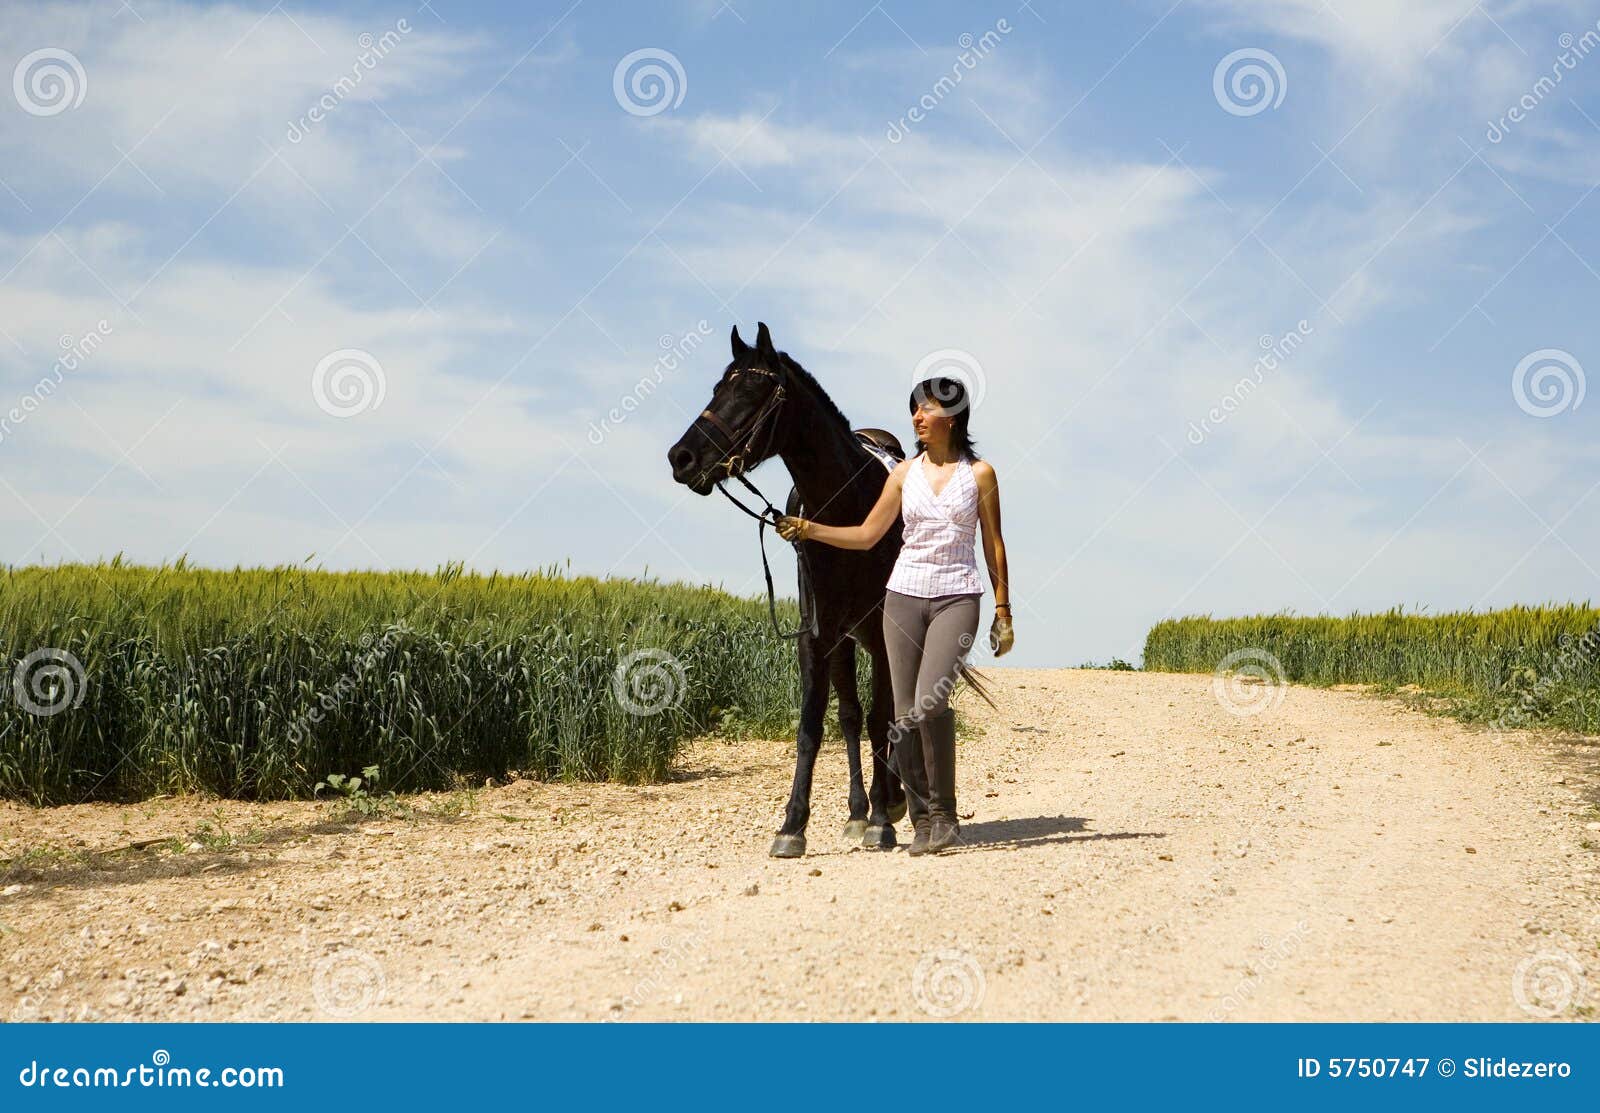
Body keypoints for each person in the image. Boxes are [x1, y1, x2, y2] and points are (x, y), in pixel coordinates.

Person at [776, 377, 1013, 855]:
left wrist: (1003, 607)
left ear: (953, 416)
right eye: (914, 410)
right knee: (903, 714)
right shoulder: (903, 474)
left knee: (929, 702)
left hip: (956, 597)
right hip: (903, 596)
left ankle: (944, 815)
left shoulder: (981, 474)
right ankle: (922, 820)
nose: (916, 418)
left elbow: (993, 543)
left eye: (925, 410)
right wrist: (809, 528)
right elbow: (866, 535)